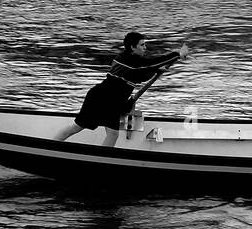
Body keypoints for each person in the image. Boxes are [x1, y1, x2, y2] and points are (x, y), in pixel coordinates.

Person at [54, 32, 189, 147]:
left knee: (112, 134)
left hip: (112, 101)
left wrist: (155, 70)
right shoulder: (127, 60)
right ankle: (52, 147)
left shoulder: (131, 60)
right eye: (142, 45)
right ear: (132, 47)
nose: (145, 48)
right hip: (100, 98)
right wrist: (177, 54)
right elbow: (149, 64)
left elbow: (139, 74)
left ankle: (102, 160)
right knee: (77, 127)